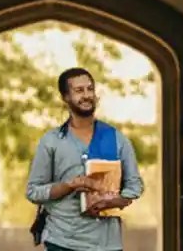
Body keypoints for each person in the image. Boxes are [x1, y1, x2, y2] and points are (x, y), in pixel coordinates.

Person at [25, 67, 144, 251]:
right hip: (62, 242)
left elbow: (134, 185)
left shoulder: (116, 139)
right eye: (79, 91)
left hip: (106, 245)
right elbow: (33, 192)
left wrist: (115, 201)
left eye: (90, 89)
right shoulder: (51, 141)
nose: (87, 95)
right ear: (65, 97)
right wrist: (69, 186)